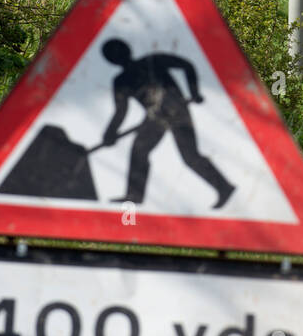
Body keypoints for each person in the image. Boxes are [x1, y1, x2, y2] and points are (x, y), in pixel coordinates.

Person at [100, 39, 234, 209]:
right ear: (111, 60)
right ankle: (134, 195)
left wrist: (193, 91)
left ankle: (224, 187)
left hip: (176, 110)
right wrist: (110, 133)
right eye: (113, 55)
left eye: (118, 53)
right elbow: (120, 111)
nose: (118, 57)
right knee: (139, 151)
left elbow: (186, 65)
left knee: (189, 156)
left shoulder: (153, 60)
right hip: (154, 118)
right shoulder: (121, 81)